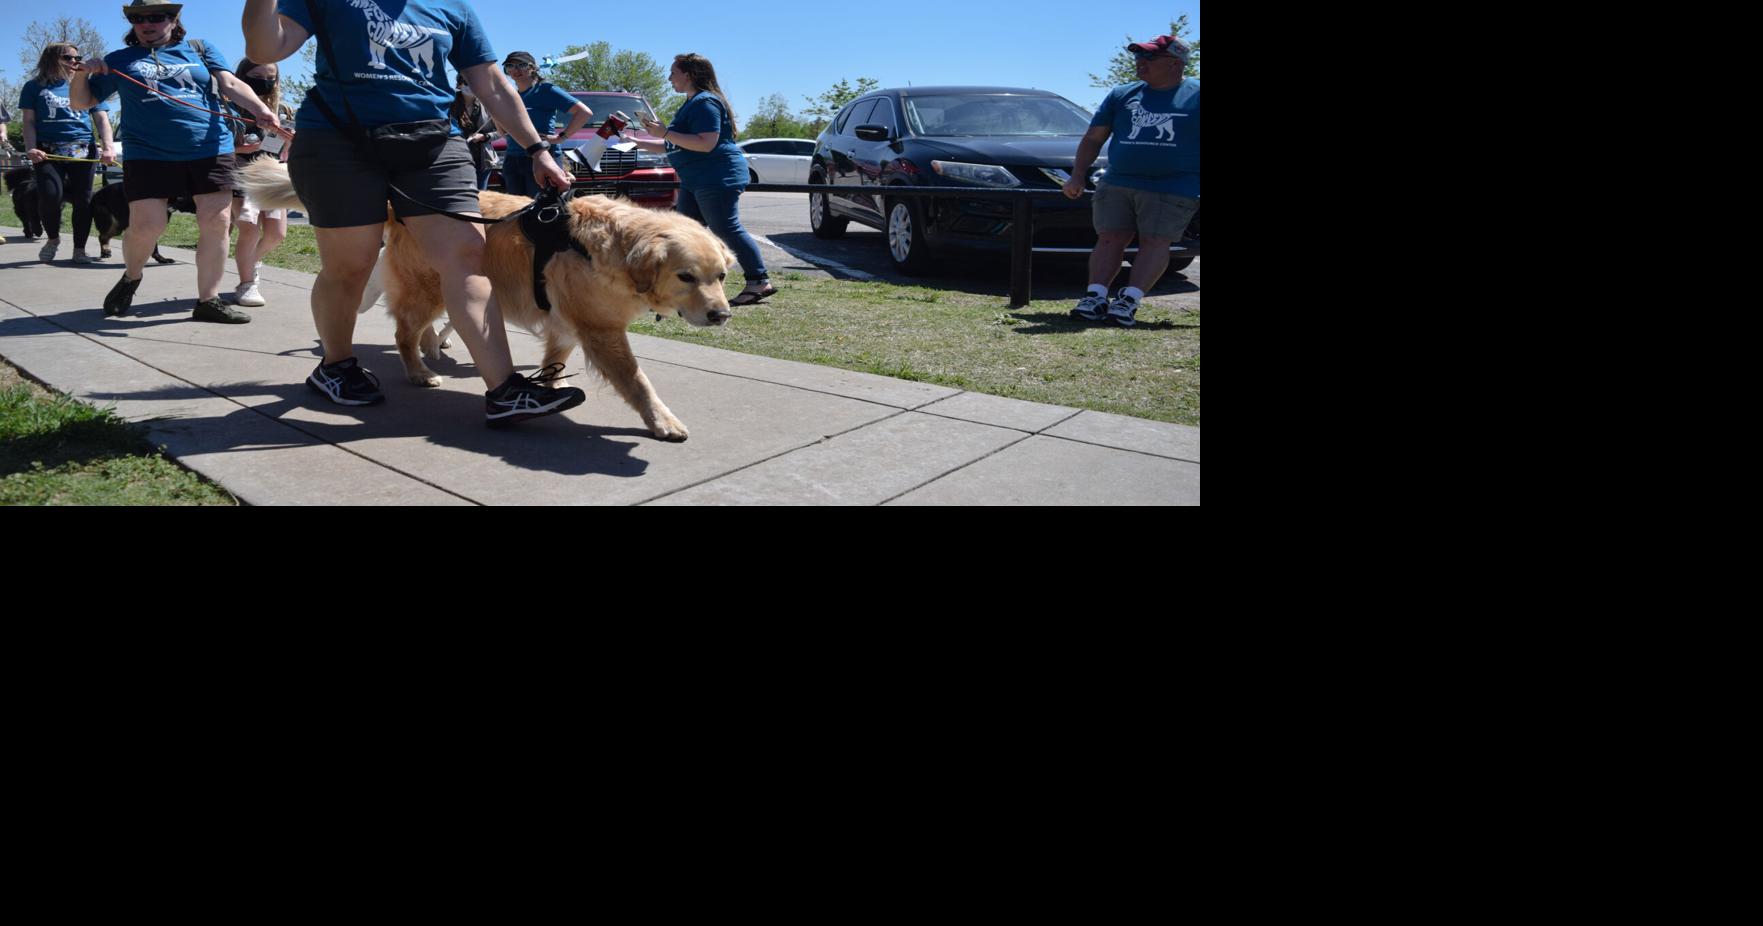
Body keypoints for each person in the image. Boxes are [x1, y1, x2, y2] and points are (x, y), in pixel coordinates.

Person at [243, 0, 587, 427]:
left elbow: (493, 84)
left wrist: (538, 149)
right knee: (351, 264)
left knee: (466, 256)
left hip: (432, 143)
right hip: (339, 142)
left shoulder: (452, 8)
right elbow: (264, 50)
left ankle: (505, 390)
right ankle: (336, 366)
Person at [71, 0, 285, 324]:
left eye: (156, 17)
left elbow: (230, 83)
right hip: (148, 153)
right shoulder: (118, 60)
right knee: (147, 226)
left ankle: (208, 300)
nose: (147, 23)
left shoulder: (199, 48)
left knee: (216, 222)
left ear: (173, 19)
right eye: (139, 18)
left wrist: (260, 109)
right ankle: (131, 276)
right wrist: (82, 73)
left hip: (210, 147)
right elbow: (81, 101)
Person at [1064, 33, 1199, 328]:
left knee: (1155, 241)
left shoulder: (1196, 95)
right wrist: (1076, 175)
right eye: (1138, 57)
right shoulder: (1122, 94)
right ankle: (1095, 297)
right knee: (1109, 238)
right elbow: (1094, 138)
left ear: (1175, 64)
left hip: (1173, 186)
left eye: (1150, 57)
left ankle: (1129, 300)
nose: (1140, 63)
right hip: (1117, 182)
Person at [635, 53, 773, 306]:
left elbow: (706, 143)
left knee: (726, 228)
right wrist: (635, 142)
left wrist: (665, 132)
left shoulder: (705, 102)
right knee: (684, 231)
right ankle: (679, 282)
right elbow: (675, 145)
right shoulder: (692, 103)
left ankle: (759, 280)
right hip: (695, 179)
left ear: (689, 75)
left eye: (673, 73)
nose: (669, 79)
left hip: (716, 176)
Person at [19, 42, 118, 264]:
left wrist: (108, 146)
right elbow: (29, 121)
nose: (75, 62)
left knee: (83, 200)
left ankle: (79, 250)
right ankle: (53, 239)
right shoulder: (33, 87)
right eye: (68, 57)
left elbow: (102, 119)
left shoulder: (86, 85)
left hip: (83, 148)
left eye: (77, 57)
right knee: (50, 195)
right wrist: (31, 147)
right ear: (51, 59)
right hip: (48, 150)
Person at [223, 56, 294, 308]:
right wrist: (240, 148)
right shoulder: (228, 108)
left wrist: (289, 140)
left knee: (277, 233)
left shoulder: (282, 110)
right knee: (249, 228)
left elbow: (286, 147)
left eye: (269, 78)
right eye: (257, 78)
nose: (264, 83)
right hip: (242, 173)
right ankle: (246, 284)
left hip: (272, 174)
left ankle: (251, 263)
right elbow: (221, 147)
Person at [495, 51, 589, 198]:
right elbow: (503, 134)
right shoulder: (512, 96)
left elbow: (584, 113)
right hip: (512, 159)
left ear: (533, 68)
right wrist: (495, 112)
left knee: (543, 209)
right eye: (510, 66)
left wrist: (561, 137)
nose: (515, 69)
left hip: (543, 157)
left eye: (522, 65)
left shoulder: (546, 90)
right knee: (517, 212)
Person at [449, 73, 496, 191]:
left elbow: (501, 131)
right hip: (457, 157)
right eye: (467, 83)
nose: (473, 87)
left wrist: (484, 136)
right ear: (459, 85)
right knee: (460, 194)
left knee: (481, 195)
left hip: (482, 158)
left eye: (476, 85)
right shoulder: (448, 104)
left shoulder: (488, 104)